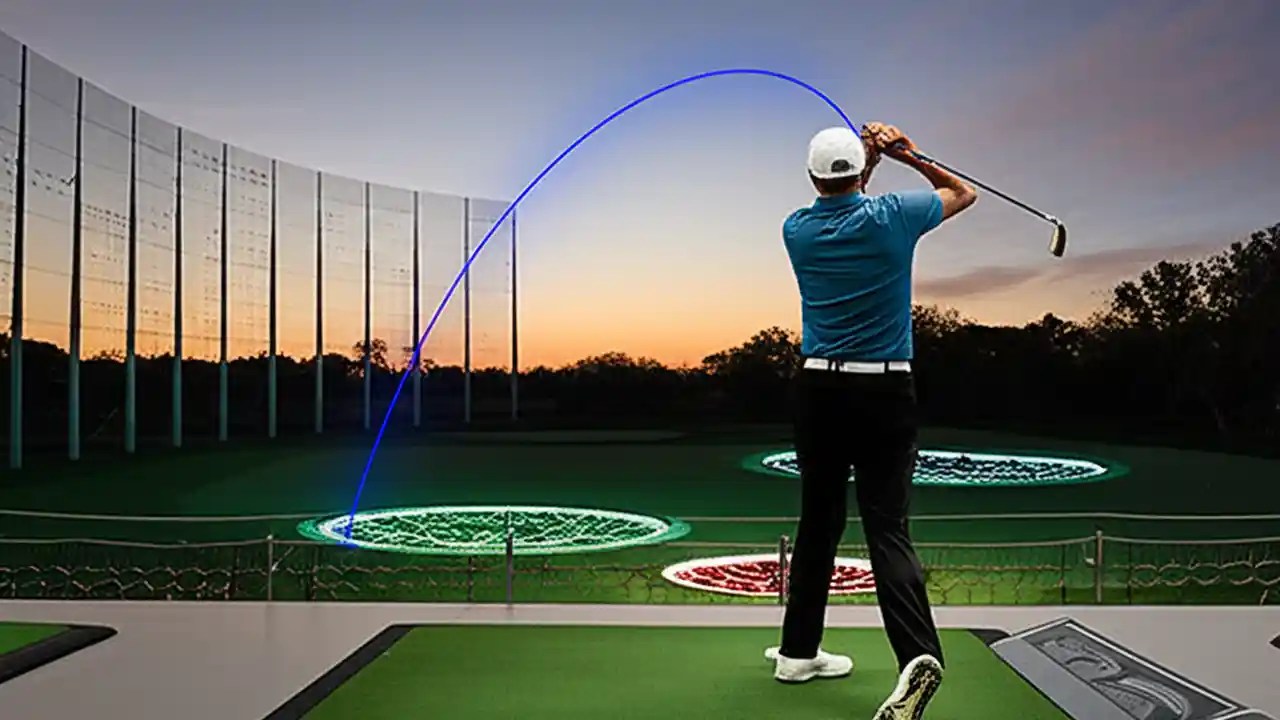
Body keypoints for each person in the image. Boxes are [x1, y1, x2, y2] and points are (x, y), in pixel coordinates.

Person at [764, 123, 978, 720]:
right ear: (860, 172)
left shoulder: (797, 229)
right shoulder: (893, 217)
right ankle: (916, 656)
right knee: (886, 528)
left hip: (817, 389)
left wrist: (868, 161)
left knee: (818, 522)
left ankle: (796, 653)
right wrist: (909, 155)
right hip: (885, 389)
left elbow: (843, 201)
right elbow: (963, 194)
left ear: (811, 177)